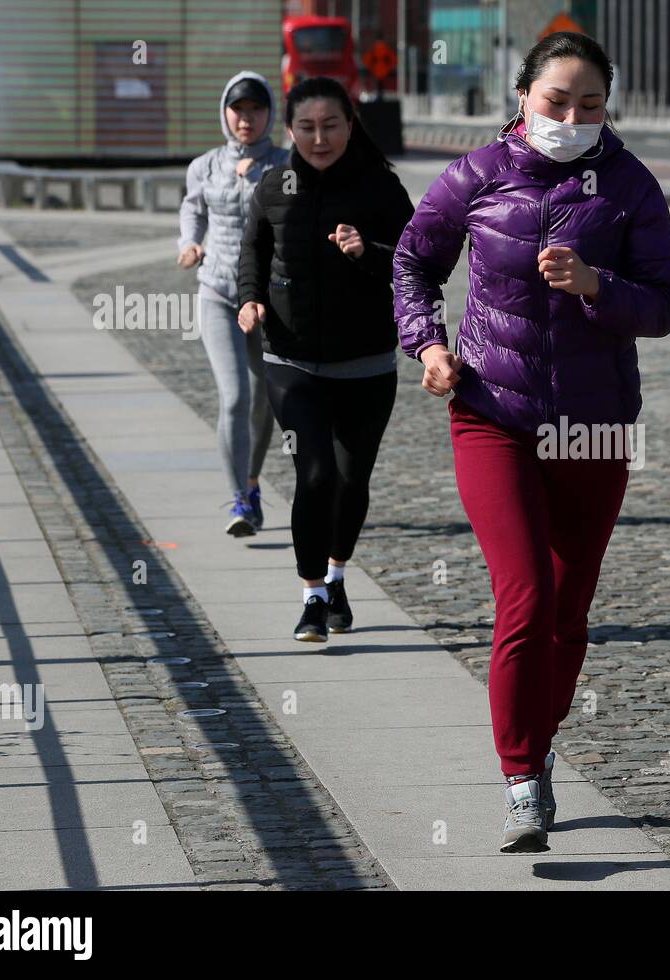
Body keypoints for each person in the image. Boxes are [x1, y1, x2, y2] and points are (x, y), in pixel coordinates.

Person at [393, 32, 670, 853]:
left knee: (568, 609)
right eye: (557, 100)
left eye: (590, 105)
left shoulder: (628, 186)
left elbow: (665, 305)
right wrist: (430, 345)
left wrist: (599, 287)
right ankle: (523, 779)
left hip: (592, 426)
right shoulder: (476, 177)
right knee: (523, 595)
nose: (572, 117)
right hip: (495, 412)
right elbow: (414, 262)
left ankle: (537, 737)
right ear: (524, 95)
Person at [237, 77, 414, 643]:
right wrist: (251, 297)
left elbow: (417, 265)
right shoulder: (274, 185)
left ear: (350, 124)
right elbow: (254, 249)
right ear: (290, 129)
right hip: (291, 359)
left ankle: (338, 574)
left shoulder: (381, 188)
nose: (319, 138)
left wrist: (368, 253)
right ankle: (312, 596)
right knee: (313, 474)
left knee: (350, 477)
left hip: (366, 363)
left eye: (331, 125)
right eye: (307, 127)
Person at [178, 72, 288, 537]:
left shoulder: (286, 164)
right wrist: (190, 242)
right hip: (219, 294)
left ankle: (251, 479)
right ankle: (239, 501)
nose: (246, 119)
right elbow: (192, 207)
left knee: (264, 402)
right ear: (225, 113)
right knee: (235, 397)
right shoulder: (204, 166)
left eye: (256, 110)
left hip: (266, 300)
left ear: (269, 115)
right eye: (238, 110)